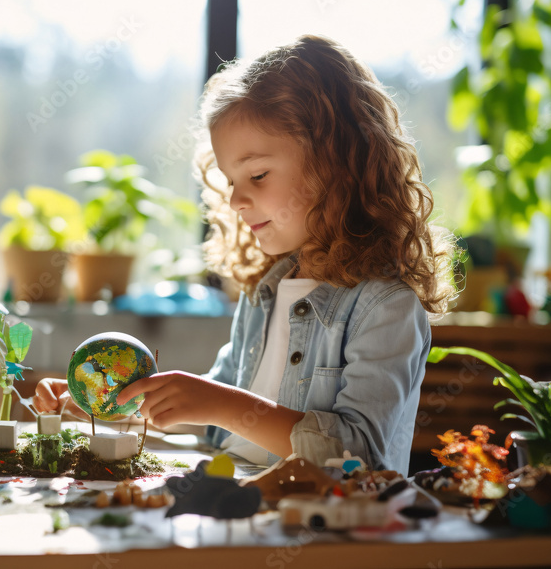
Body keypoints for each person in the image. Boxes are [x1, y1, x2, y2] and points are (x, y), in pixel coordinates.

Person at [34, 34, 456, 474]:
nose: (236, 200)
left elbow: (359, 457)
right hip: (239, 509)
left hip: (319, 531)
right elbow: (216, 424)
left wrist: (222, 405)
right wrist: (107, 400)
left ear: (338, 163)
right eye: (231, 181)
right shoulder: (266, 292)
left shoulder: (385, 306)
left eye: (257, 174)